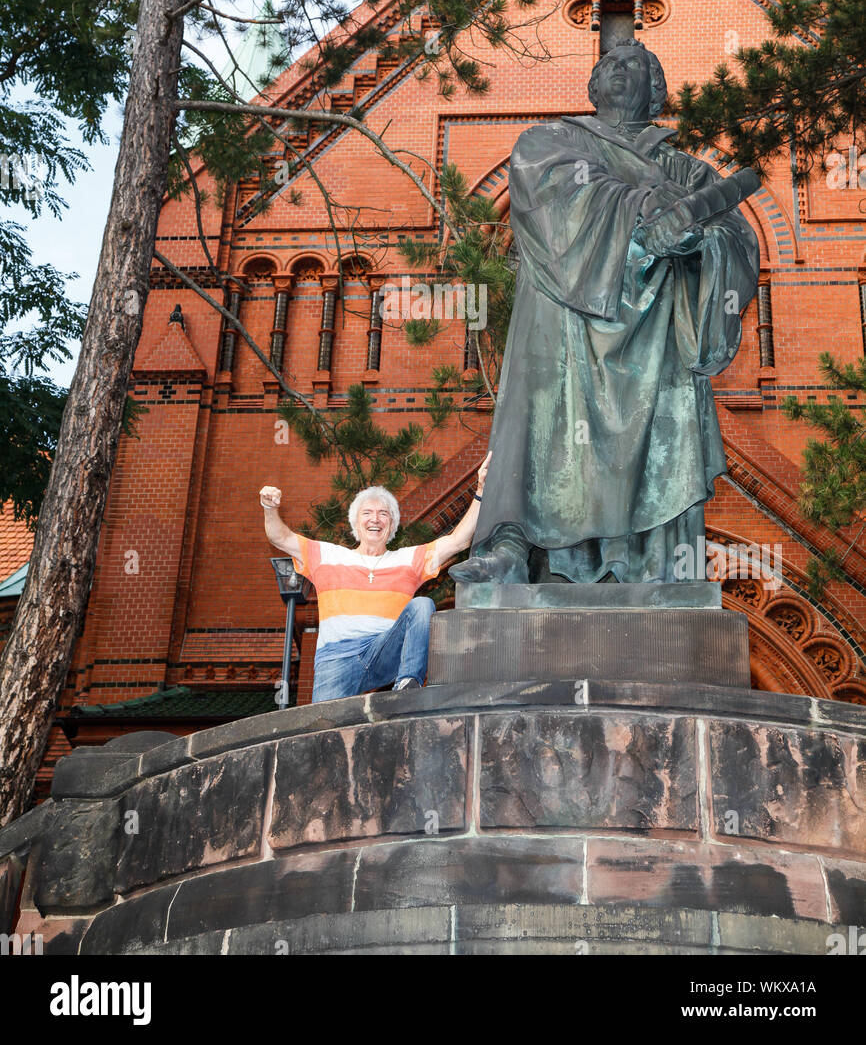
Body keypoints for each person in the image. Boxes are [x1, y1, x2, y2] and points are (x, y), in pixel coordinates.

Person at [451, 40, 760, 589]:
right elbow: (543, 190)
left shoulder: (688, 171)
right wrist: (644, 209)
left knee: (657, 430)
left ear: (656, 91)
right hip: (561, 319)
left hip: (656, 334)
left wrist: (694, 242)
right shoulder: (551, 140)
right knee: (536, 421)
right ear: (592, 87)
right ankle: (511, 543)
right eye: (610, 65)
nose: (621, 71)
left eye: (636, 65)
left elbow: (736, 239)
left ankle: (651, 557)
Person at [259, 452, 491, 701]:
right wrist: (269, 508)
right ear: (356, 524)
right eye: (367, 513)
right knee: (324, 728)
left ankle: (407, 685)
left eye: (384, 514)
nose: (375, 519)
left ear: (391, 526)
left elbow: (458, 540)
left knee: (422, 605)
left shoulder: (408, 559)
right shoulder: (325, 554)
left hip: (384, 649)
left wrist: (480, 491)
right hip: (337, 657)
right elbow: (279, 537)